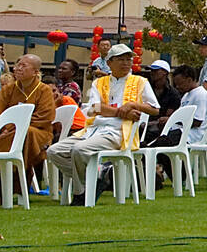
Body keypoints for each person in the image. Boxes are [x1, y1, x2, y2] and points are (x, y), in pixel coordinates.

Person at [46, 43, 159, 203]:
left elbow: (154, 109)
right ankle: (97, 177)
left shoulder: (140, 81)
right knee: (54, 151)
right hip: (93, 130)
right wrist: (120, 111)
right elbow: (93, 109)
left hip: (120, 132)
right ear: (109, 62)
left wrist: (134, 105)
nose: (126, 63)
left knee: (79, 150)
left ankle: (81, 192)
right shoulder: (99, 83)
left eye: (128, 59)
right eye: (121, 59)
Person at [0, 54, 55, 201]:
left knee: (26, 134)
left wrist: (13, 128)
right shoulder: (8, 89)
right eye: (17, 65)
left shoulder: (44, 90)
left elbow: (45, 117)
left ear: (35, 72)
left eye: (23, 66)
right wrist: (5, 129)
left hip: (38, 133)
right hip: (7, 133)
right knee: (17, 136)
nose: (17, 69)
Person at [144, 65, 207, 187]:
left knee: (162, 144)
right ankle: (151, 176)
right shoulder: (186, 95)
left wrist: (172, 120)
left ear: (189, 79)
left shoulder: (200, 94)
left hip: (192, 134)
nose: (177, 87)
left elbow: (197, 121)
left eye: (180, 84)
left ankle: (181, 176)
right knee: (149, 139)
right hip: (180, 130)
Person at [142, 59, 181, 145]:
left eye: (156, 71)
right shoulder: (146, 89)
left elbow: (168, 117)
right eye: (151, 70)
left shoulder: (173, 94)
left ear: (165, 73)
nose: (152, 73)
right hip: (143, 124)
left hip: (160, 129)